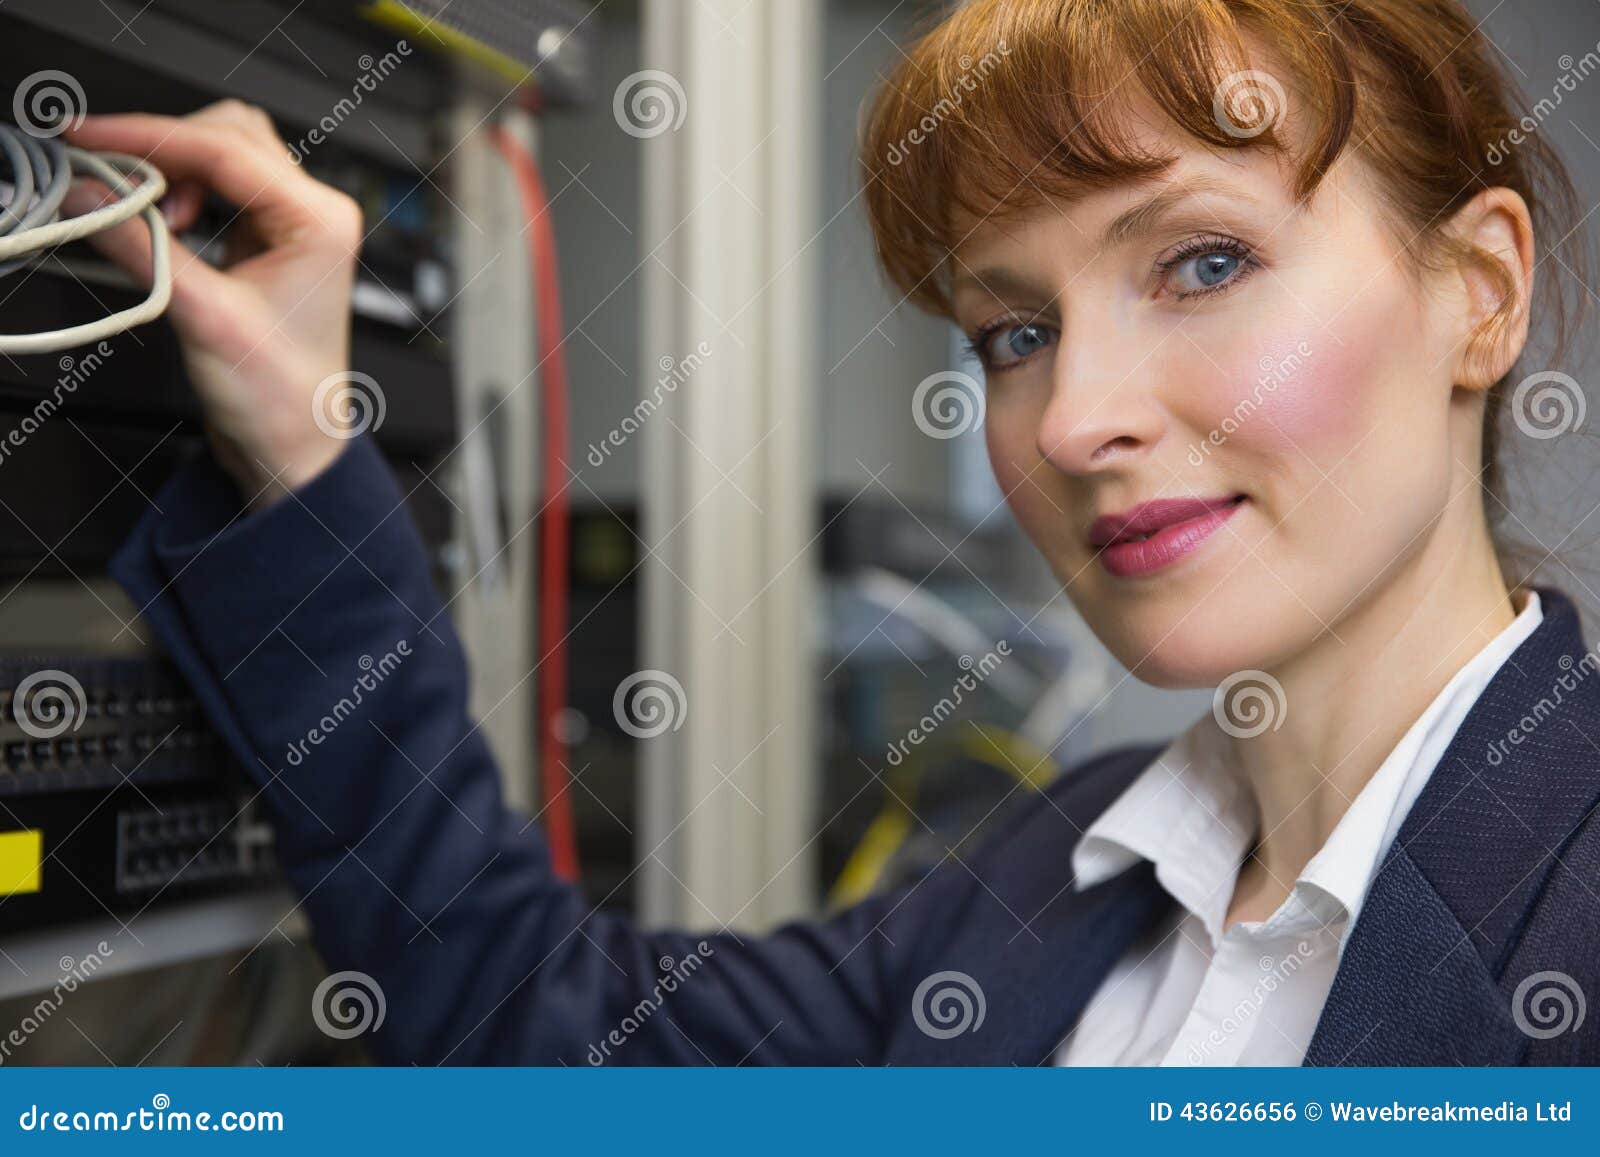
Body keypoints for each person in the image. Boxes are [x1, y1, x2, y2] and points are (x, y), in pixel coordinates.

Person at [66, 0, 1598, 1065]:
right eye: (1011, 333)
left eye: (1200, 262)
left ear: (1480, 292)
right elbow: (537, 1023)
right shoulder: (1062, 875)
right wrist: (301, 449)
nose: (1072, 421)